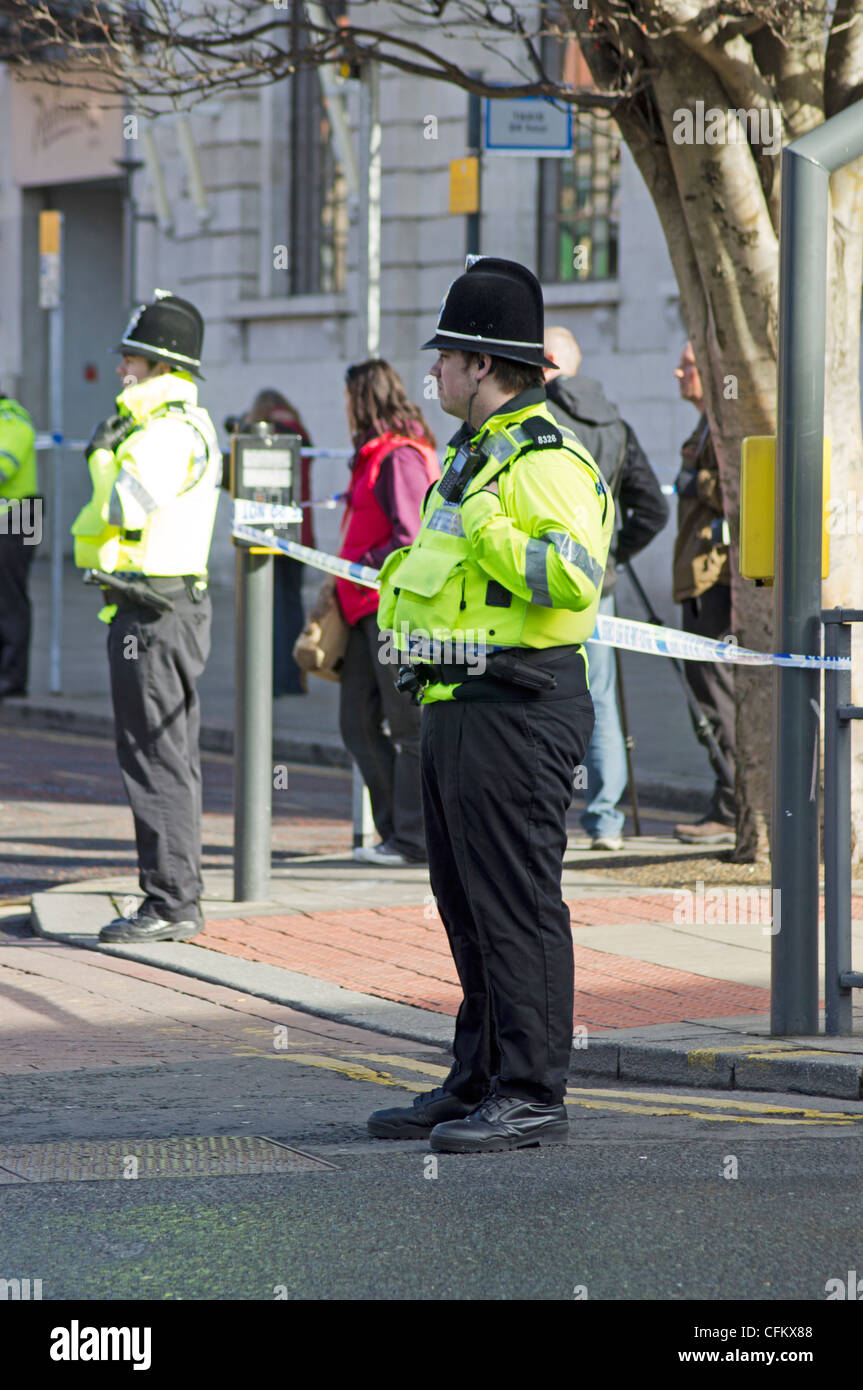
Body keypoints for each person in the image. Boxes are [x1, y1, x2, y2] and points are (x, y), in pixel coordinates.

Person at [367, 258, 614, 1153]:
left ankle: (531, 1092)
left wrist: (484, 521)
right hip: (457, 701)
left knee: (515, 905)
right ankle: (474, 1081)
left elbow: (573, 578)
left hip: (518, 705)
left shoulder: (542, 458)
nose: (430, 372)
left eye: (444, 357)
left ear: (481, 365)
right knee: (467, 906)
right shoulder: (475, 455)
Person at [71, 289, 222, 942]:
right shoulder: (170, 427)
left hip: (155, 610)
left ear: (161, 365)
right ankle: (175, 892)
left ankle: (169, 903)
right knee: (167, 755)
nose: (121, 370)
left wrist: (102, 458)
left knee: (153, 757)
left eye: (131, 359)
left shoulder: (162, 433)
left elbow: (123, 509)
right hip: (157, 605)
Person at [543, 326, 668, 851]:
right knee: (603, 702)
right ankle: (606, 822)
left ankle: (545, 815)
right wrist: (611, 554)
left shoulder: (539, 419)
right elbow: (654, 509)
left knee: (542, 695)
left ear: (546, 363)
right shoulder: (615, 422)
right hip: (601, 586)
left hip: (546, 580)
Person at [336, 359, 439, 866]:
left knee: (407, 728)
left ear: (364, 398)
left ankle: (413, 838)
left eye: (349, 398)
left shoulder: (399, 458)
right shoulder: (373, 455)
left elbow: (412, 534)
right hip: (360, 610)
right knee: (355, 722)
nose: (344, 409)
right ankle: (393, 830)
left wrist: (361, 564)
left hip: (389, 611)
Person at [671, 340, 736, 846]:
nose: (678, 372)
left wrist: (698, 483)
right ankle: (729, 798)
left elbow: (738, 490)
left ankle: (733, 804)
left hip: (715, 579)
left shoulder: (725, 421)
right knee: (707, 695)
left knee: (717, 696)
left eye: (688, 366)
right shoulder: (706, 422)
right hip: (699, 575)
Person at [242, 389, 314, 697]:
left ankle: (272, 678)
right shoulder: (301, 433)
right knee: (292, 608)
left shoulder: (265, 435)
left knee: (268, 610)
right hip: (301, 533)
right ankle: (294, 678)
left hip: (270, 533)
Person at [0, 390, 39, 696]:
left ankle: (12, 677)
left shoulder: (12, 421)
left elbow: (3, 468)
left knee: (9, 598)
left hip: (20, 518)